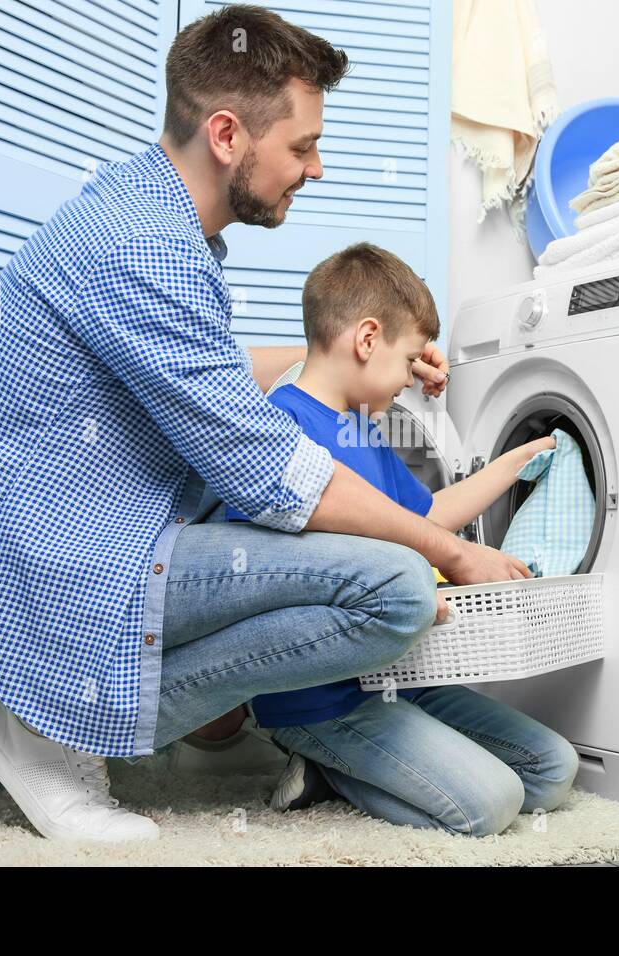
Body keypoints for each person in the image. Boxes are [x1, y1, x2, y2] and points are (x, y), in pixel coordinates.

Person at [0, 5, 530, 843]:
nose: (316, 169)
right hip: (16, 585)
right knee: (395, 586)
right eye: (301, 146)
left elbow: (202, 372)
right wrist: (452, 548)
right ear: (227, 135)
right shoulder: (143, 247)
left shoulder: (146, 217)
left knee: (354, 559)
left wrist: (346, 361)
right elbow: (273, 473)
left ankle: (77, 721)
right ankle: (45, 730)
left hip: (34, 554)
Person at [224, 243, 579, 837]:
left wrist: (522, 457)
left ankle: (344, 770)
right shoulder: (278, 428)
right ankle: (324, 762)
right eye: (409, 357)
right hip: (322, 701)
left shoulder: (362, 429)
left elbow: (430, 515)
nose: (414, 375)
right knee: (490, 805)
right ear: (366, 339)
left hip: (401, 680)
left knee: (551, 770)